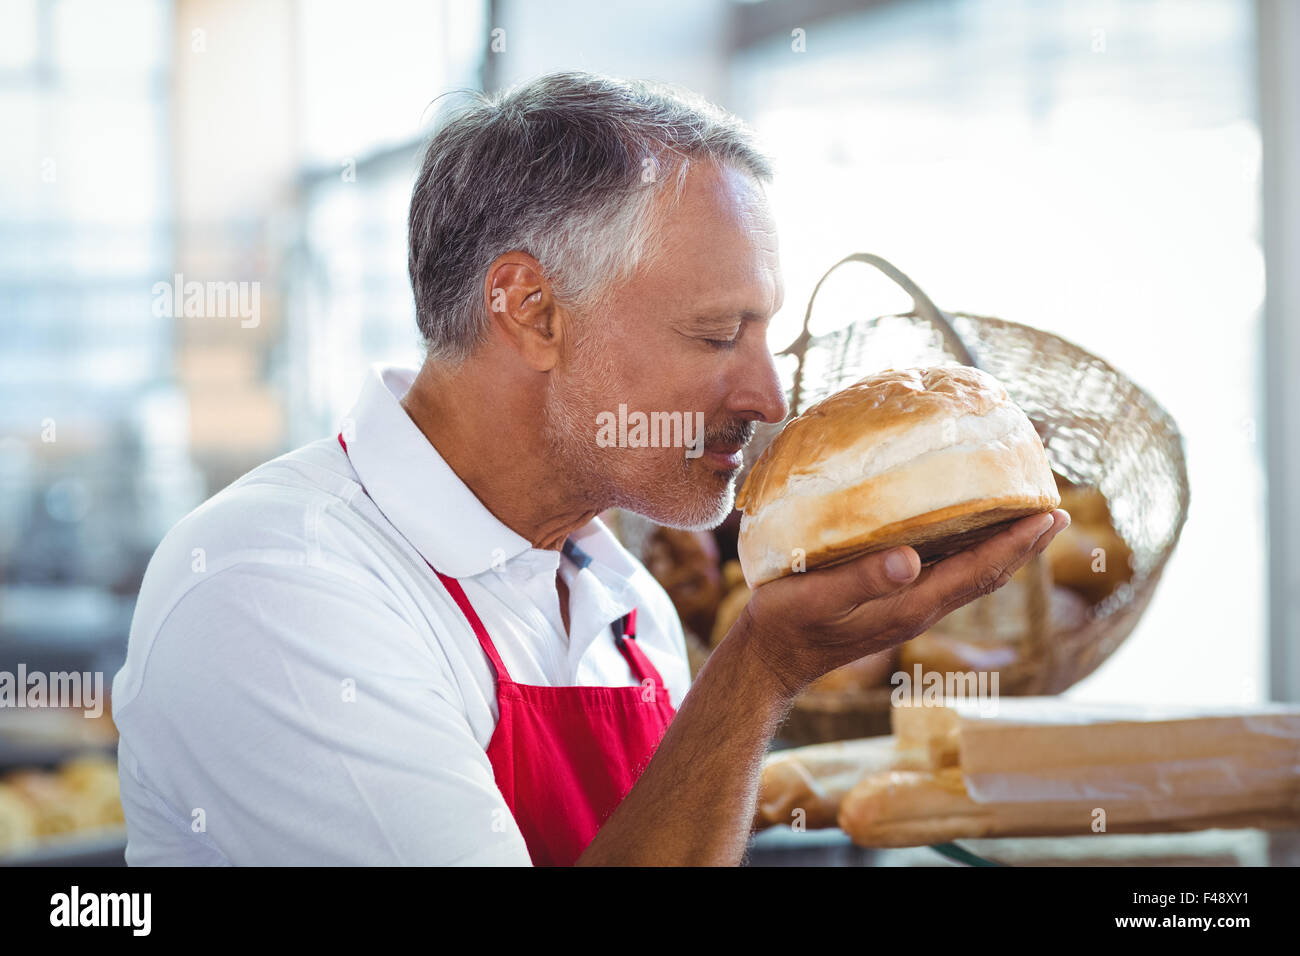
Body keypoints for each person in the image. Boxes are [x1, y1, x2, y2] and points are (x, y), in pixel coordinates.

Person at [112, 71, 1068, 865]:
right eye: (715, 333)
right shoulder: (279, 583)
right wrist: (761, 670)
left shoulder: (624, 599)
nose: (769, 397)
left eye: (764, 331)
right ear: (530, 309)